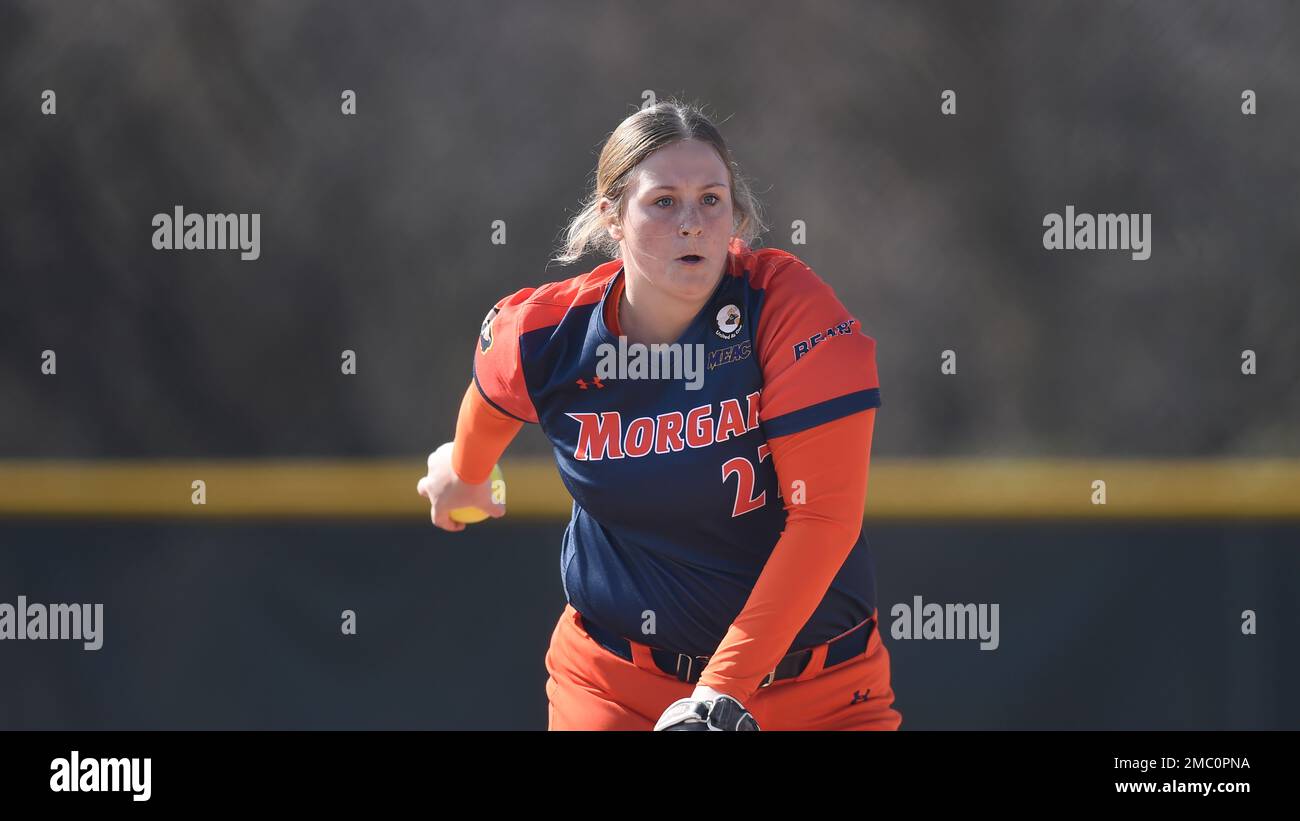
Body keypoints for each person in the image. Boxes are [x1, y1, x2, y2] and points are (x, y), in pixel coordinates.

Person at [417, 100, 901, 731]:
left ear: (736, 214)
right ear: (611, 218)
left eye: (711, 199)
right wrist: (465, 472)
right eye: (664, 201)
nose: (693, 222)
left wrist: (717, 694)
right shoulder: (547, 332)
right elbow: (490, 399)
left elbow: (825, 520)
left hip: (818, 690)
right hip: (619, 686)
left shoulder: (785, 307)